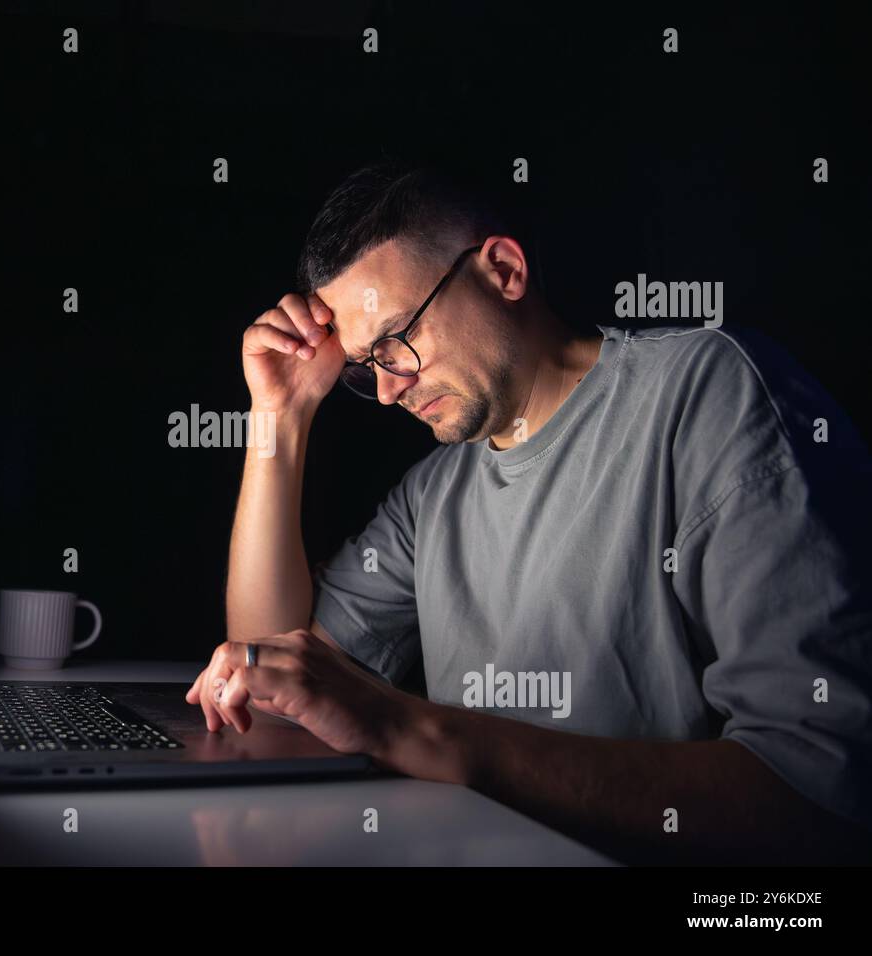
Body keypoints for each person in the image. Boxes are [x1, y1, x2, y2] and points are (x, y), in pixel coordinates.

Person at [186, 160, 872, 863]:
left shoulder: (709, 394)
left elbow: (819, 791)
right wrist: (282, 415)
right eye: (367, 366)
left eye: (397, 342)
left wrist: (420, 735)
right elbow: (267, 677)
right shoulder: (434, 494)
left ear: (504, 271)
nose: (388, 393)